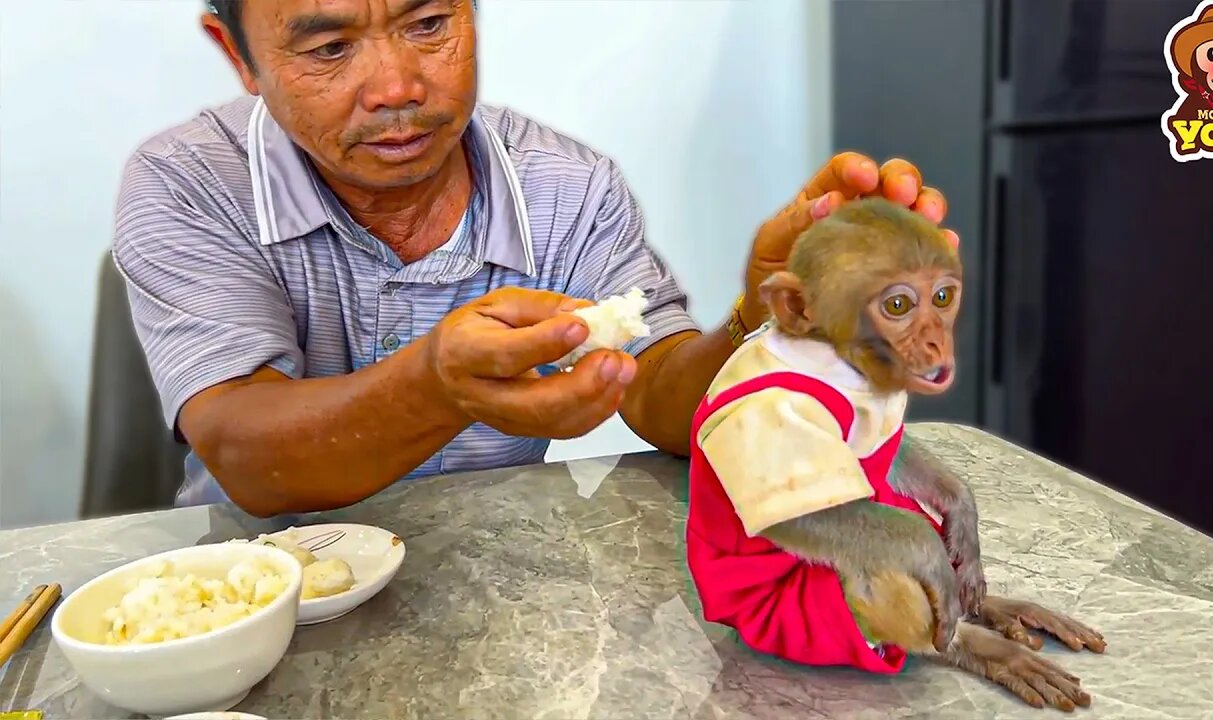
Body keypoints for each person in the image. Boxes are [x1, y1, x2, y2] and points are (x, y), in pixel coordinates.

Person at [113, 0, 958, 519]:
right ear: (238, 54)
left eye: (429, 24)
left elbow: (668, 403)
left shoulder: (569, 186)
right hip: (257, 595)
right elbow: (246, 456)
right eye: (330, 48)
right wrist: (436, 386)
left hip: (493, 577)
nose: (397, 86)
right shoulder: (187, 182)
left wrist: (765, 319)